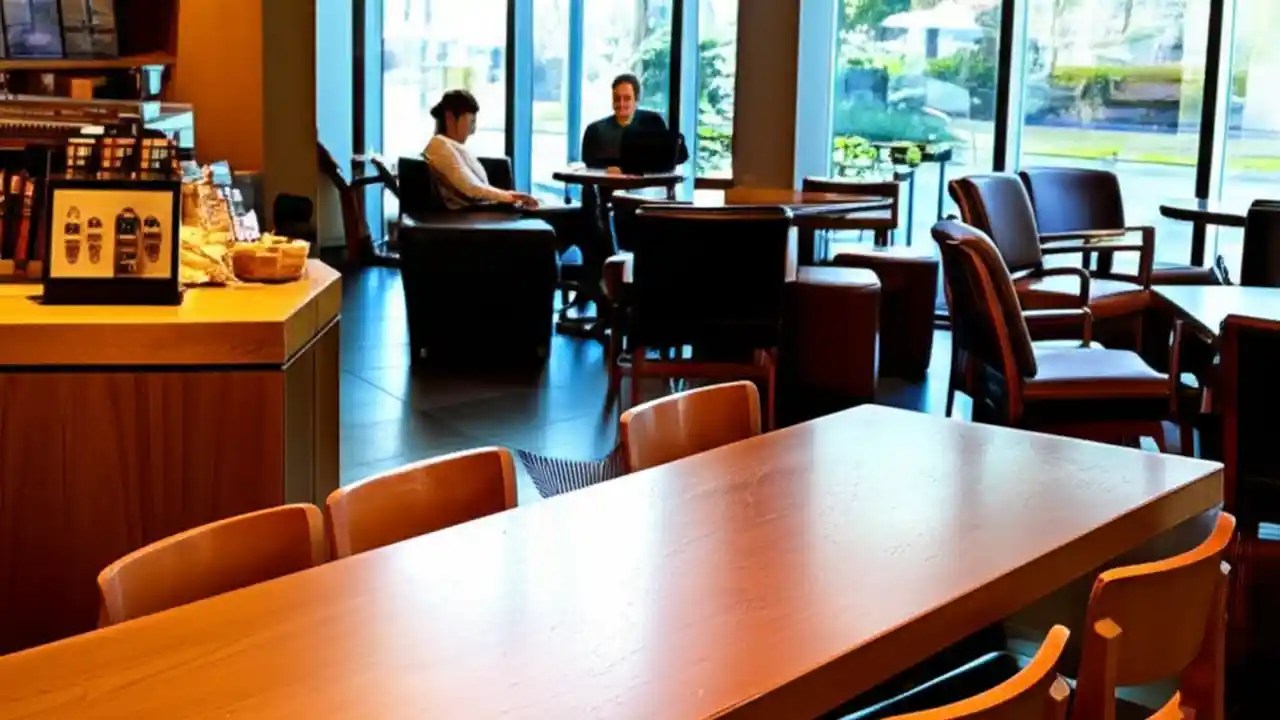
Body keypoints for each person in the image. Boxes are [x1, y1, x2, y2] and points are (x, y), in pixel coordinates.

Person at [424, 89, 539, 210]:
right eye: (471, 122)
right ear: (450, 117)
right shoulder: (440, 146)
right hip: (469, 214)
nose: (473, 130)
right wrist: (512, 197)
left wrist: (512, 197)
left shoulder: (450, 146)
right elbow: (471, 188)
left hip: (477, 210)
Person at [581, 74, 685, 170]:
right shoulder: (595, 131)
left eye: (627, 99)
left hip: (647, 186)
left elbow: (667, 161)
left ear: (636, 100)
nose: (621, 104)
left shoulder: (653, 123)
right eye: (617, 99)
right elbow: (590, 166)